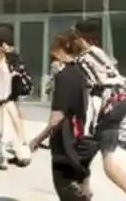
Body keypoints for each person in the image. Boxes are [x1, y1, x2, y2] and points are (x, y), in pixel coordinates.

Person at [68, 20, 126, 201]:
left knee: (106, 163)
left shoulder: (82, 60)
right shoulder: (99, 53)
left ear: (80, 38)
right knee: (89, 151)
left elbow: (87, 89)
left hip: (108, 105)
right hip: (121, 100)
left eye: (74, 37)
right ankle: (122, 139)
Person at [31, 32, 99, 200]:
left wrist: (37, 140)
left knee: (66, 187)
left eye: (53, 52)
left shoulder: (65, 77)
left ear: (60, 51)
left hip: (67, 141)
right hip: (88, 138)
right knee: (80, 187)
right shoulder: (84, 72)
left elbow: (57, 117)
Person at [0, 24, 33, 154]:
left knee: (8, 117)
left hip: (8, 92)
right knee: (14, 116)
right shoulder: (16, 55)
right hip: (13, 90)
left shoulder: (9, 57)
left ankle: (18, 143)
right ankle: (20, 140)